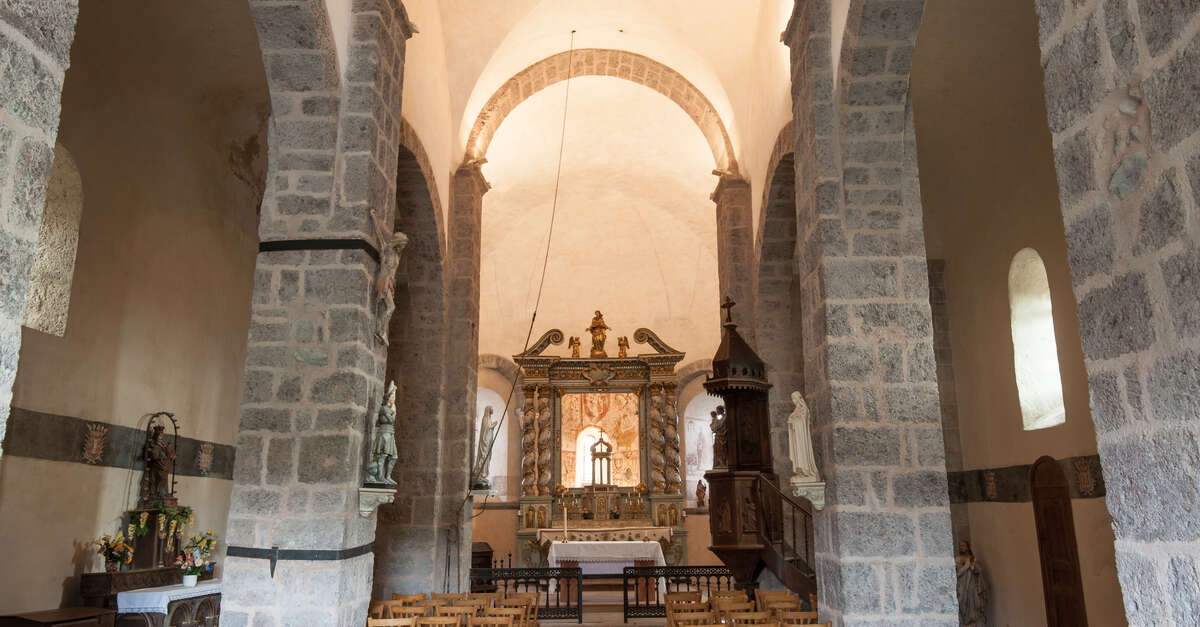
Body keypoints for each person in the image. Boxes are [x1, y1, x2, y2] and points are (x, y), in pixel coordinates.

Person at [368, 382, 399, 485]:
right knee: (383, 455)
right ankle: (380, 477)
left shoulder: (390, 409)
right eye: (392, 397)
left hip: (390, 432)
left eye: (394, 397)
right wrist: (393, 412)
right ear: (387, 398)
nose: (393, 399)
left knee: (394, 456)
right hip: (384, 432)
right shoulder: (384, 408)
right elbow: (391, 420)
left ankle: (388, 476)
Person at [957, 540, 989, 625]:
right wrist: (967, 565)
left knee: (974, 602)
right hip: (963, 585)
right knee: (964, 603)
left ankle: (974, 620)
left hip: (972, 585)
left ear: (968, 547)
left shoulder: (972, 558)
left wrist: (974, 567)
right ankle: (966, 621)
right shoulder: (958, 559)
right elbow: (958, 573)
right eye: (961, 546)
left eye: (964, 545)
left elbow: (979, 571)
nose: (962, 547)